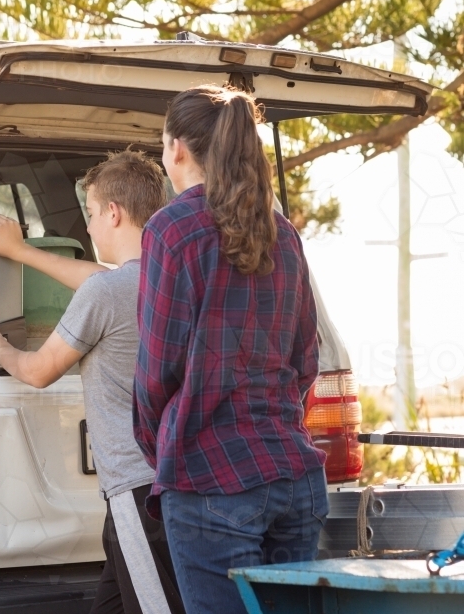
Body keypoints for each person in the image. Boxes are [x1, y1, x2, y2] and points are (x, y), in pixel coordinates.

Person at [133, 86, 328, 614]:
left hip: (210, 479)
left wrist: (167, 452)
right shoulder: (282, 233)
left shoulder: (171, 230)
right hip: (295, 479)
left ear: (176, 148)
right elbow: (305, 361)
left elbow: (156, 374)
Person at [0, 150, 185, 614]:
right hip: (170, 486)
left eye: (89, 213)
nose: (86, 228)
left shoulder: (106, 293)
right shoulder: (174, 278)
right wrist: (22, 252)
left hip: (136, 491)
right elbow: (98, 280)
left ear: (113, 213)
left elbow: (38, 371)